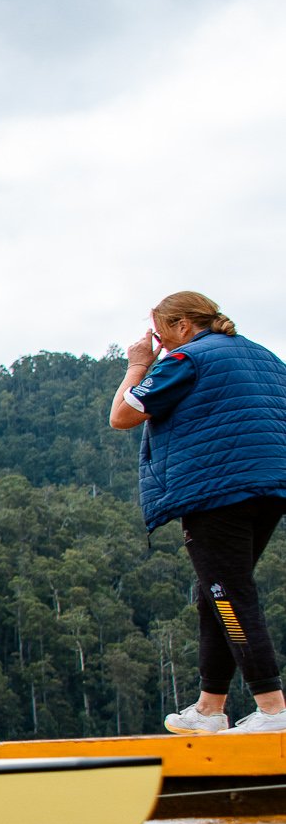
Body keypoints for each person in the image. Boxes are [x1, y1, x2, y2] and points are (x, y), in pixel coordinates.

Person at [111, 290, 286, 733]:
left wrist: (138, 364)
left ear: (184, 325)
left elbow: (122, 416)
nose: (159, 343)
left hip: (216, 490)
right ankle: (210, 709)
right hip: (270, 485)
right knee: (216, 593)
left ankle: (273, 708)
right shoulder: (264, 356)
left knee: (229, 596)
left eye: (161, 333)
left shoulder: (186, 359)